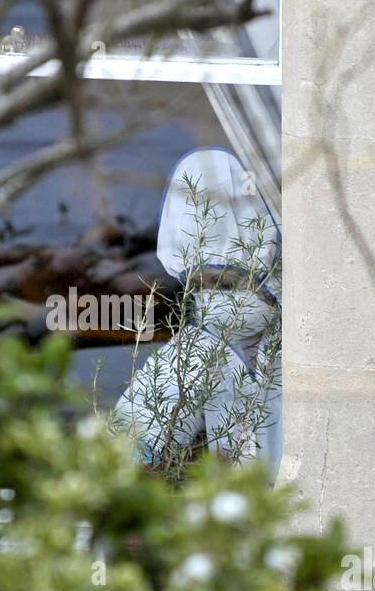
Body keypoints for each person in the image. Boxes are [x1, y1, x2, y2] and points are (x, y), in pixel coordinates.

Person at [112, 147, 282, 479]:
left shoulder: (305, 343)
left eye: (230, 284)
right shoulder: (194, 356)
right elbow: (125, 456)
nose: (217, 300)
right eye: (203, 285)